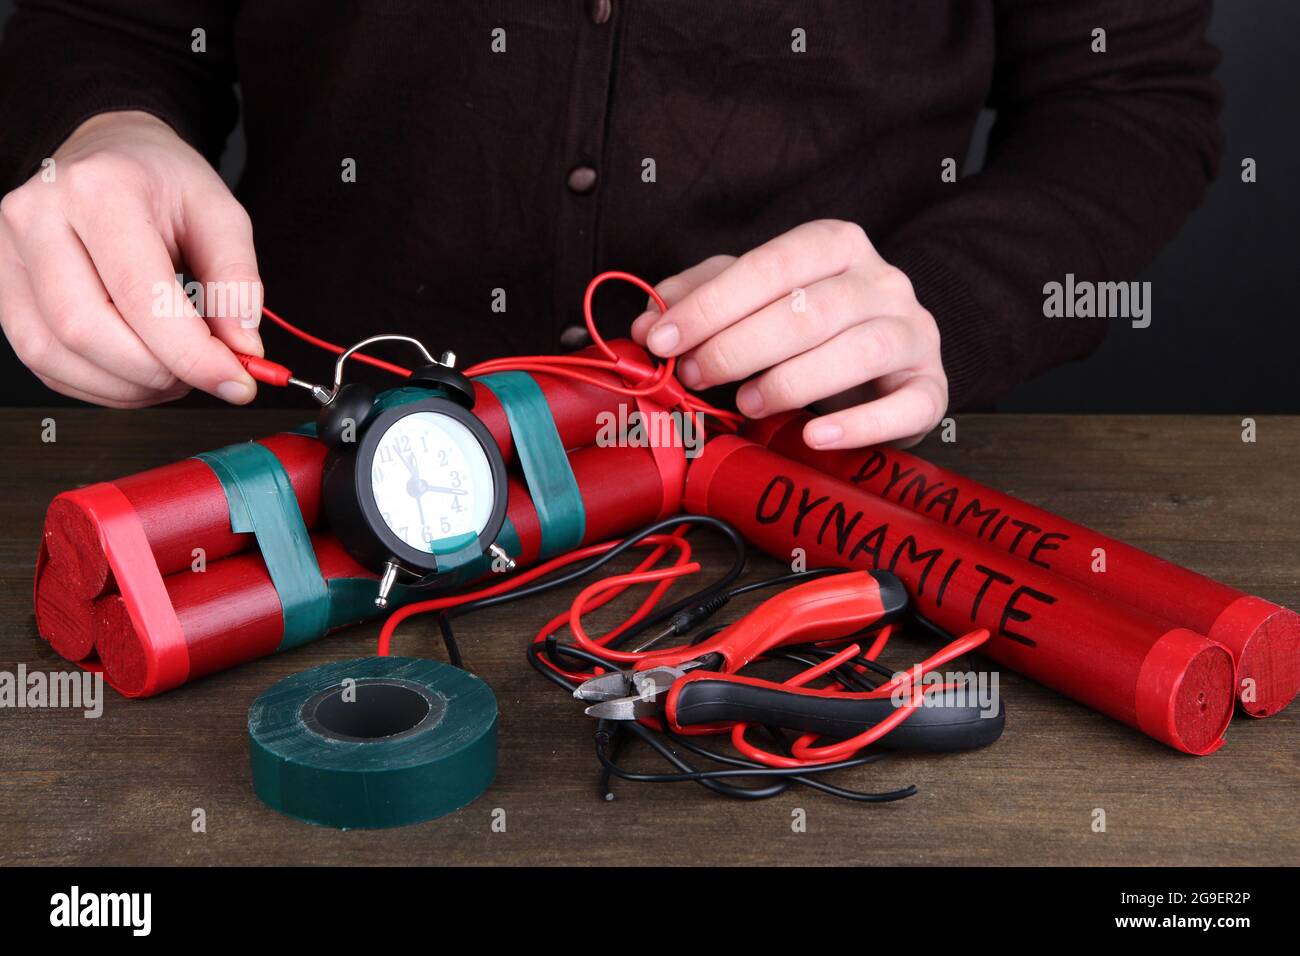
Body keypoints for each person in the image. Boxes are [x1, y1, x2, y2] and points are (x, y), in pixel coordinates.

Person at [0, 1, 1221, 448]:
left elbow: (1127, 94)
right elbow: (112, 27)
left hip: (827, 494)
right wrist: (105, 133)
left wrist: (947, 302)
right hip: (304, 478)